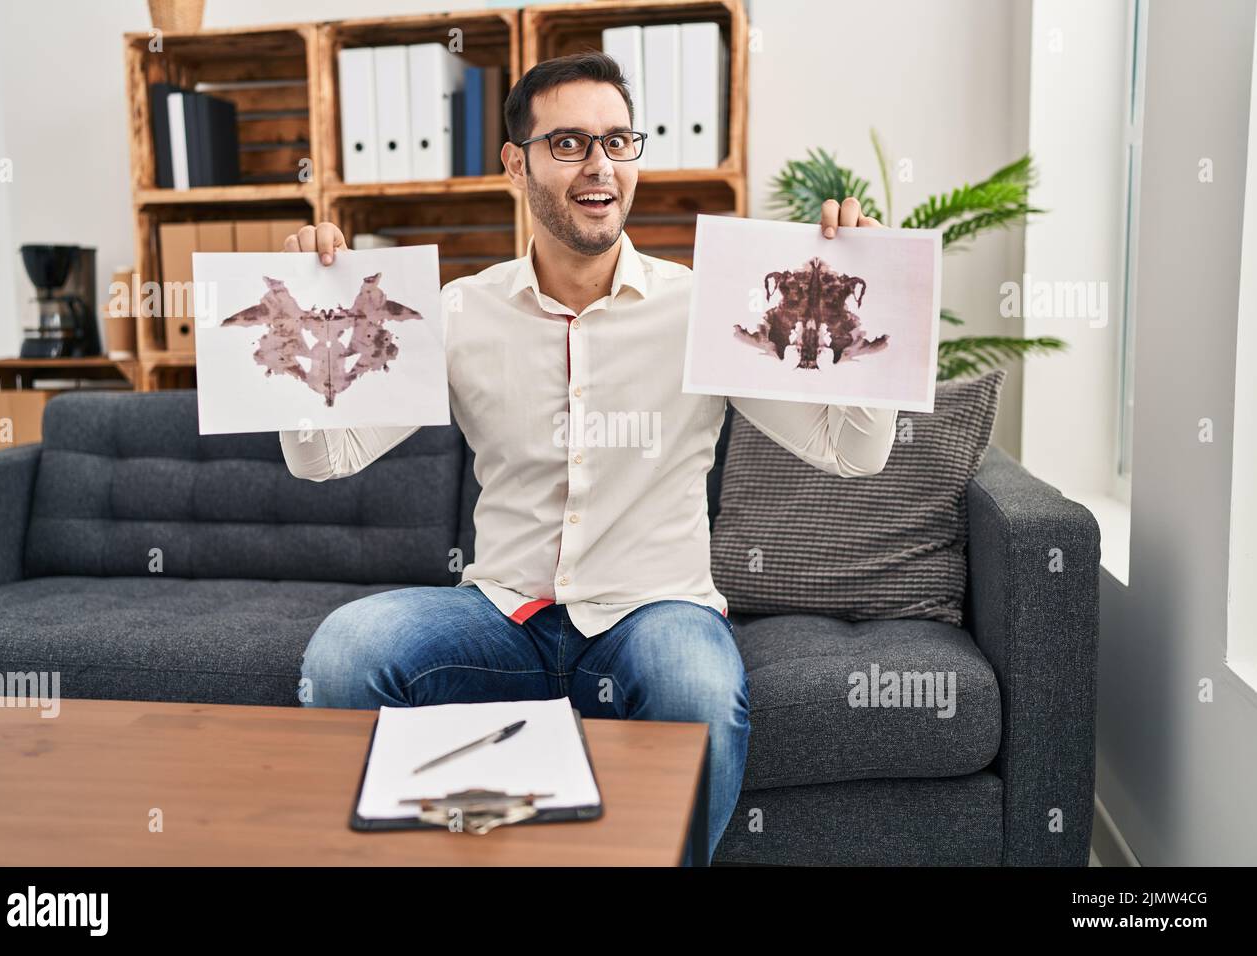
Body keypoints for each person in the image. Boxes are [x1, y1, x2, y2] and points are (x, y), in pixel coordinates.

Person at [278, 51, 897, 865]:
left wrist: (871, 291)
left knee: (700, 693)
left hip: (654, 611)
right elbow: (325, 459)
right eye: (567, 143)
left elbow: (850, 452)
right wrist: (302, 325)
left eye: (618, 141)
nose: (599, 165)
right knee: (345, 652)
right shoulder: (458, 314)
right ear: (516, 163)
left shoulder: (706, 309)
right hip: (504, 615)